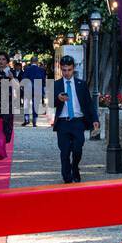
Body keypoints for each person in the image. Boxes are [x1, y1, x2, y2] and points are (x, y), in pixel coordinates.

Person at [50, 54, 99, 183]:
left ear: (73, 69)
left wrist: (95, 120)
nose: (67, 73)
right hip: (63, 123)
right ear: (61, 69)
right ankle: (66, 176)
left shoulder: (81, 84)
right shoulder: (56, 85)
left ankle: (75, 167)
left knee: (78, 148)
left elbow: (89, 104)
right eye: (64, 70)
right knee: (65, 151)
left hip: (78, 122)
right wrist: (57, 98)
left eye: (69, 70)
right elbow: (50, 103)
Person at [0, 53, 17, 143]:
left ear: (7, 61)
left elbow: (18, 88)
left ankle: (2, 145)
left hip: (7, 104)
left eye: (3, 59)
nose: (1, 61)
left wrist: (12, 79)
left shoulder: (12, 72)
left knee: (6, 126)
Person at [21, 58, 46, 126]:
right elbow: (43, 81)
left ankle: (26, 119)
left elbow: (24, 79)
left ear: (31, 62)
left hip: (28, 89)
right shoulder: (41, 70)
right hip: (37, 89)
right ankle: (34, 121)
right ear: (37, 62)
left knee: (26, 105)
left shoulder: (27, 69)